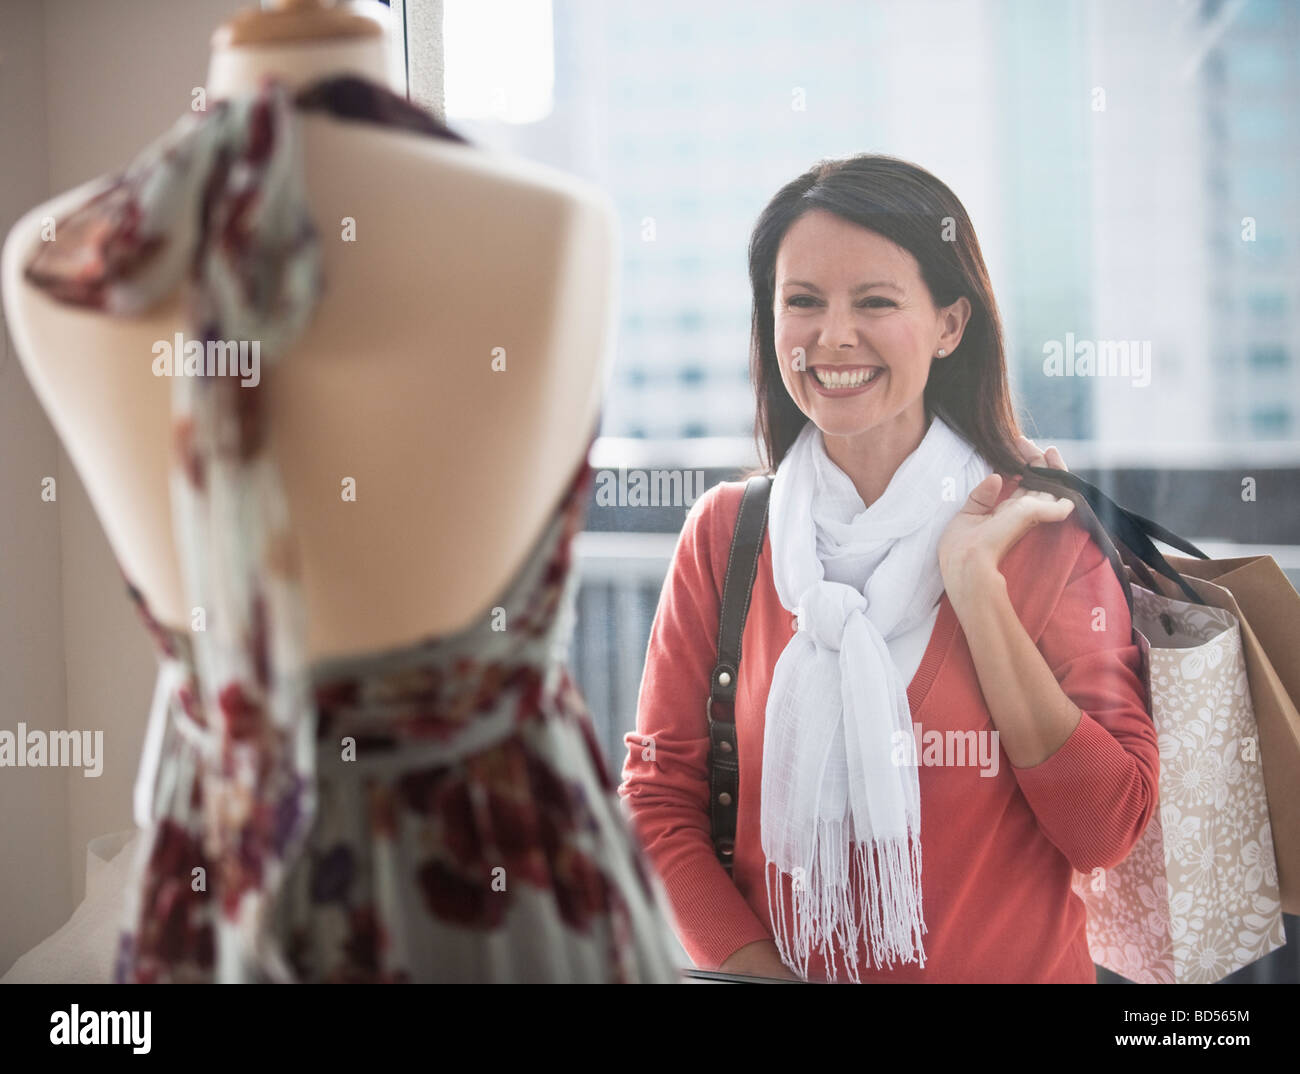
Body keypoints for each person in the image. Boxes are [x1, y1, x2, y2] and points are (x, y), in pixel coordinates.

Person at [619, 154, 1159, 984]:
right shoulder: (725, 537)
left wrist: (979, 593)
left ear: (950, 325)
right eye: (802, 302)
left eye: (875, 302)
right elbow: (659, 805)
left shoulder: (1044, 534)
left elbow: (1106, 826)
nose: (834, 336)